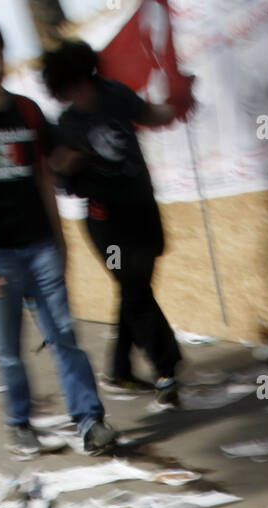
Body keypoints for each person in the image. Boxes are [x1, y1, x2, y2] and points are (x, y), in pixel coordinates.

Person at [0, 16, 115, 458]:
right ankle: (19, 423)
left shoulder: (28, 111)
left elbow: (43, 175)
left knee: (65, 335)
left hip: (41, 247)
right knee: (9, 349)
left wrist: (61, 239)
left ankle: (90, 421)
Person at [41, 40, 185, 406]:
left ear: (88, 75)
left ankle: (119, 369)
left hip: (142, 207)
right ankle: (166, 365)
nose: (78, 93)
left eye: (81, 83)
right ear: (62, 90)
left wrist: (178, 104)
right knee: (133, 285)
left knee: (134, 289)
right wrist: (64, 166)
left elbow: (150, 114)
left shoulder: (115, 94)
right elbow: (61, 182)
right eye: (69, 90)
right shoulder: (66, 125)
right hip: (107, 224)